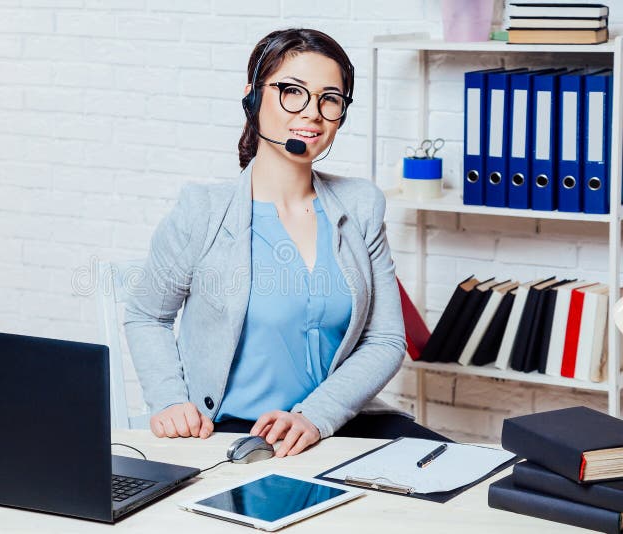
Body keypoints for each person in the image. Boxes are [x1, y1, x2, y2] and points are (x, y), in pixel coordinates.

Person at [124, 28, 447, 458]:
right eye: (292, 92)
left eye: (329, 99)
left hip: (336, 423)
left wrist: (316, 416)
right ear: (253, 97)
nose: (312, 113)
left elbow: (385, 339)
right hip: (237, 435)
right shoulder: (201, 211)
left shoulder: (361, 205)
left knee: (477, 482)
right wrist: (168, 399)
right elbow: (147, 314)